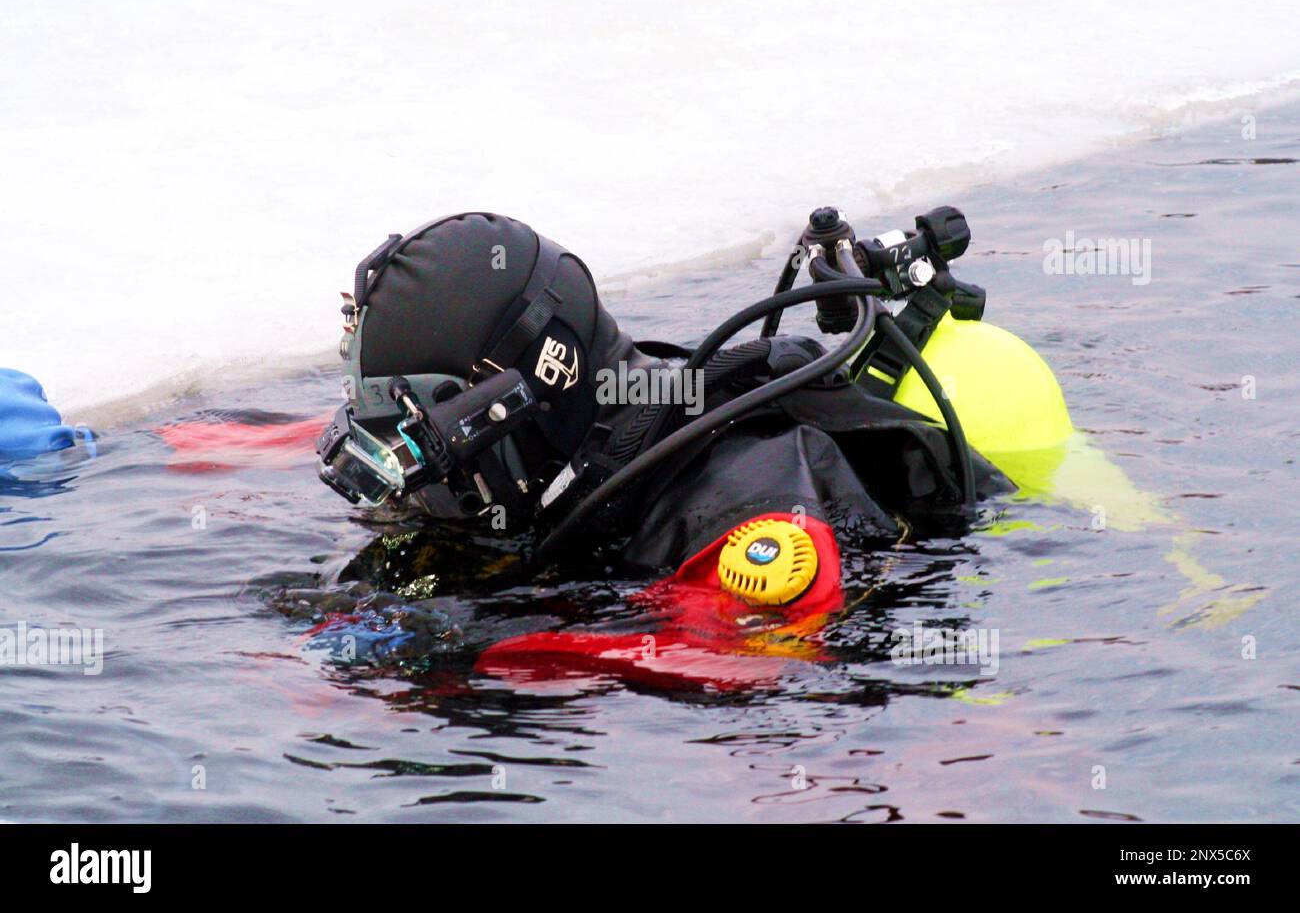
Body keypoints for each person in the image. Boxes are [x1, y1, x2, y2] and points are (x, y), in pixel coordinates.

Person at [314, 209, 1039, 687]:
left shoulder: (742, 496)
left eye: (419, 447)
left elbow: (760, 661)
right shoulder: (606, 427)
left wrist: (468, 652)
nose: (403, 488)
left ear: (534, 393)